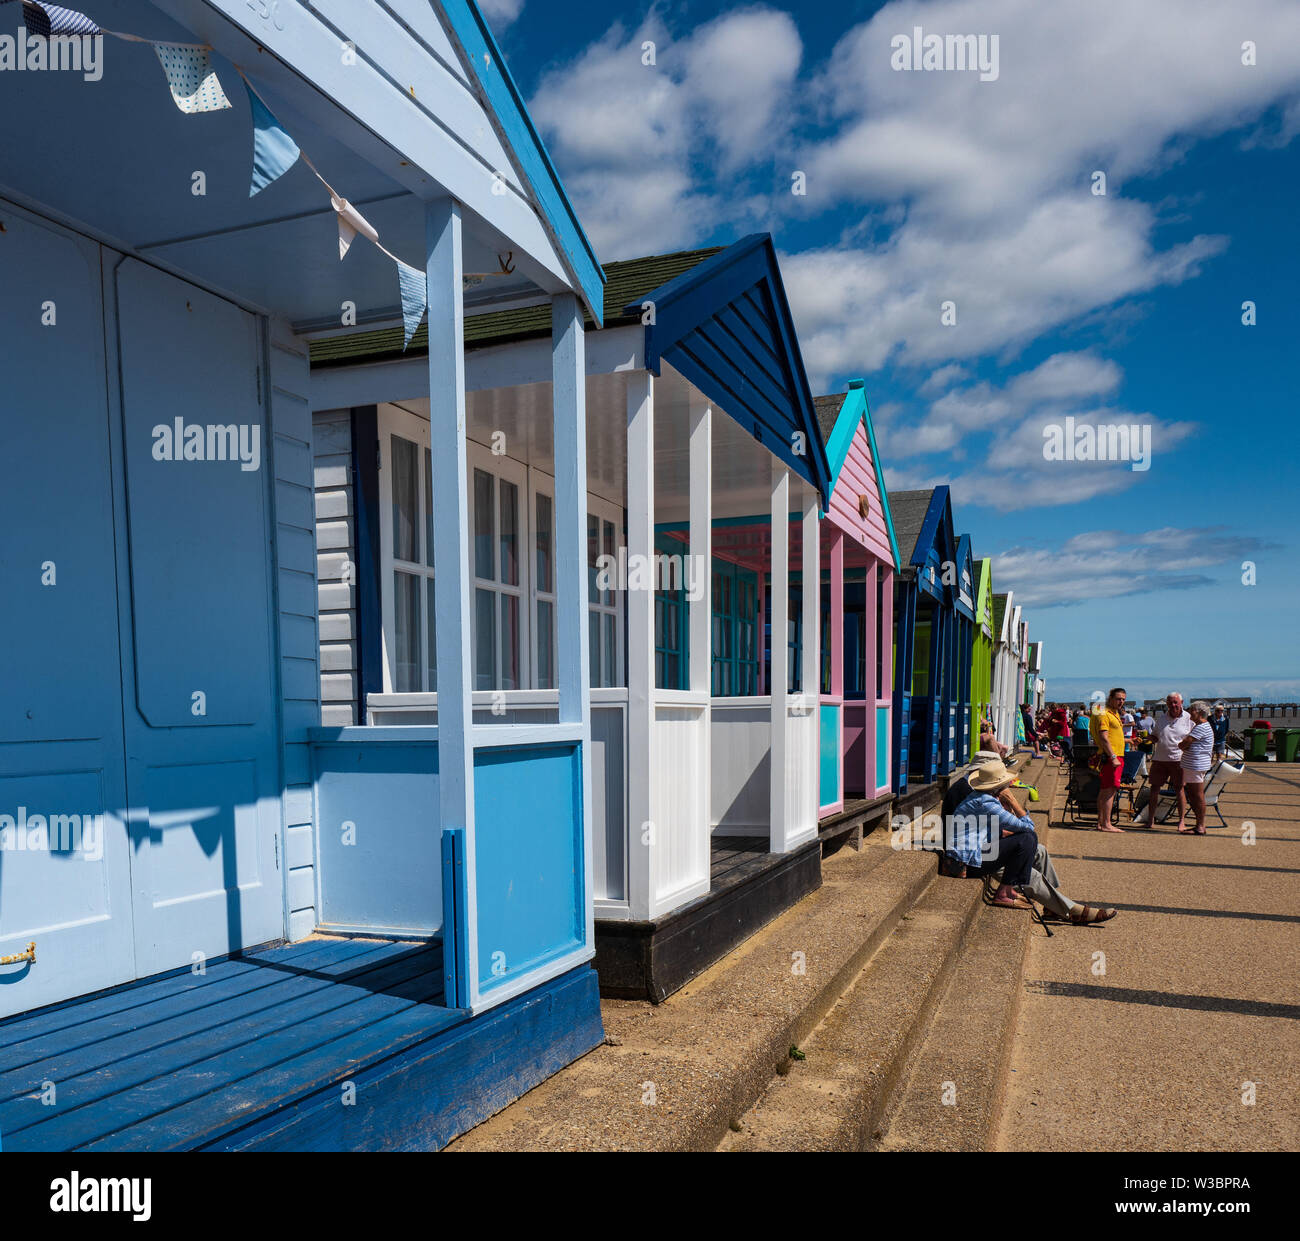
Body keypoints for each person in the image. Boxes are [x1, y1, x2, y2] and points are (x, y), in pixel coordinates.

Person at [946, 760, 1117, 923]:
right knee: (1028, 841)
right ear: (999, 785)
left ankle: (1052, 907)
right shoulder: (985, 802)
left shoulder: (983, 798)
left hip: (979, 850)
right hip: (968, 861)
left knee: (1039, 850)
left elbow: (996, 830)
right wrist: (1013, 801)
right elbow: (1027, 827)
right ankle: (1070, 910)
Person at [1145, 692, 1192, 829]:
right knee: (1154, 789)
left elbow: (1194, 738)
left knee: (1179, 789)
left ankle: (1181, 821)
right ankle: (1150, 820)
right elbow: (1155, 736)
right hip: (1159, 759)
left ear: (1181, 702)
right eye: (1170, 702)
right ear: (1166, 704)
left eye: (1175, 702)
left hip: (1178, 760)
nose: (1173, 705)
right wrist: (1147, 738)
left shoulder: (1189, 718)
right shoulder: (1161, 718)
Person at [1089, 687, 1127, 832]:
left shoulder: (1113, 713)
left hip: (1114, 754)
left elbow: (1111, 736)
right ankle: (1106, 823)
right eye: (1118, 699)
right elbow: (1104, 738)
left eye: (1123, 699)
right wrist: (1113, 757)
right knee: (1110, 790)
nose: (1121, 702)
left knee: (1105, 789)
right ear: (1110, 698)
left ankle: (1101, 823)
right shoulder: (1104, 713)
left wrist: (1128, 741)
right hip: (1113, 756)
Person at [1177, 701, 1215, 834]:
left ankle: (1200, 826)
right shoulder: (1201, 726)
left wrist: (1181, 745)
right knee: (1194, 794)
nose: (1189, 712)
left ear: (1198, 712)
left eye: (1191, 710)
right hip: (1194, 764)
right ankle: (1199, 825)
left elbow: (1185, 743)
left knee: (1197, 795)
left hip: (1196, 764)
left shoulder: (1201, 727)